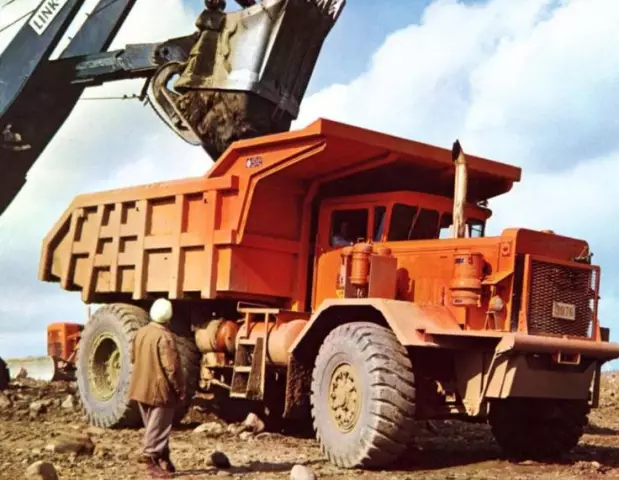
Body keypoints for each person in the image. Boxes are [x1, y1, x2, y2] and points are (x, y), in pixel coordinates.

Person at [128, 298, 186, 477]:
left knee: (154, 428)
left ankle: (163, 459)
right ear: (169, 317)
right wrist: (180, 389)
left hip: (140, 387)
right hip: (160, 391)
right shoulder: (165, 337)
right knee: (159, 427)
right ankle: (148, 460)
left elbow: (132, 358)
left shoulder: (141, 333)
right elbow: (172, 368)